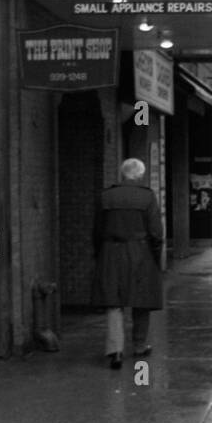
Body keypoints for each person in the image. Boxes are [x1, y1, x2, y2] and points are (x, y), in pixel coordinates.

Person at [92, 158, 164, 369]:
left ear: (122, 174)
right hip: (140, 252)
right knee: (142, 301)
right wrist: (156, 256)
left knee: (114, 302)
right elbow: (156, 232)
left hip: (111, 252)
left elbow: (97, 230)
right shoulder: (147, 197)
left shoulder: (106, 196)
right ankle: (140, 345)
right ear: (140, 175)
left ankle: (115, 350)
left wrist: (98, 253)